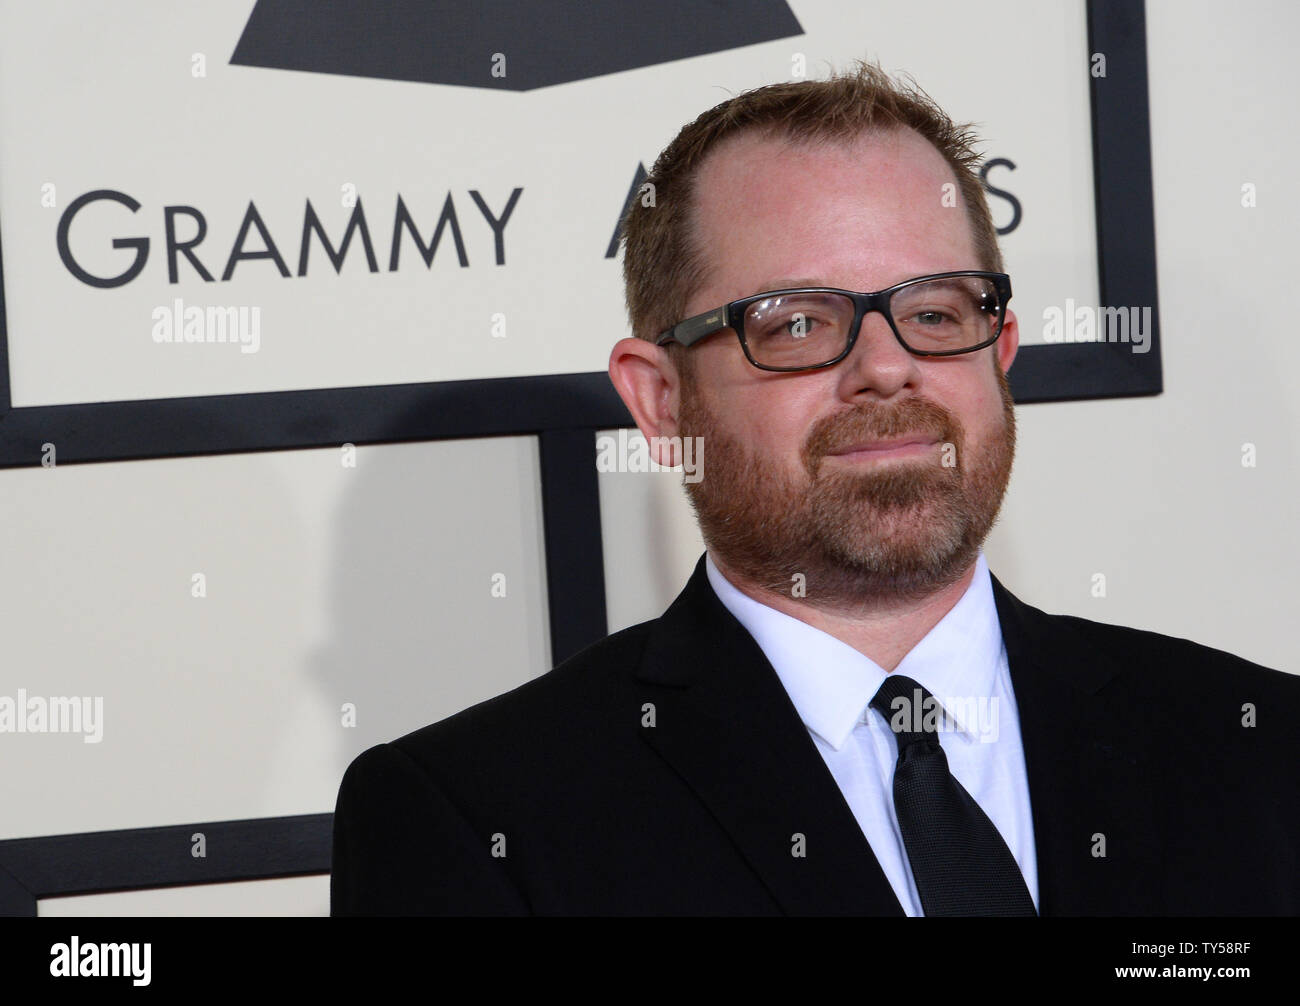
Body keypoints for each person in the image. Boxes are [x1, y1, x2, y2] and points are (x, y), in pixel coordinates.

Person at [330, 61, 1299, 916]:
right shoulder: (481, 817)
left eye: (932, 309)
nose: (885, 367)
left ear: (999, 353)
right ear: (661, 399)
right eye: (794, 322)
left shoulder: (1258, 750)